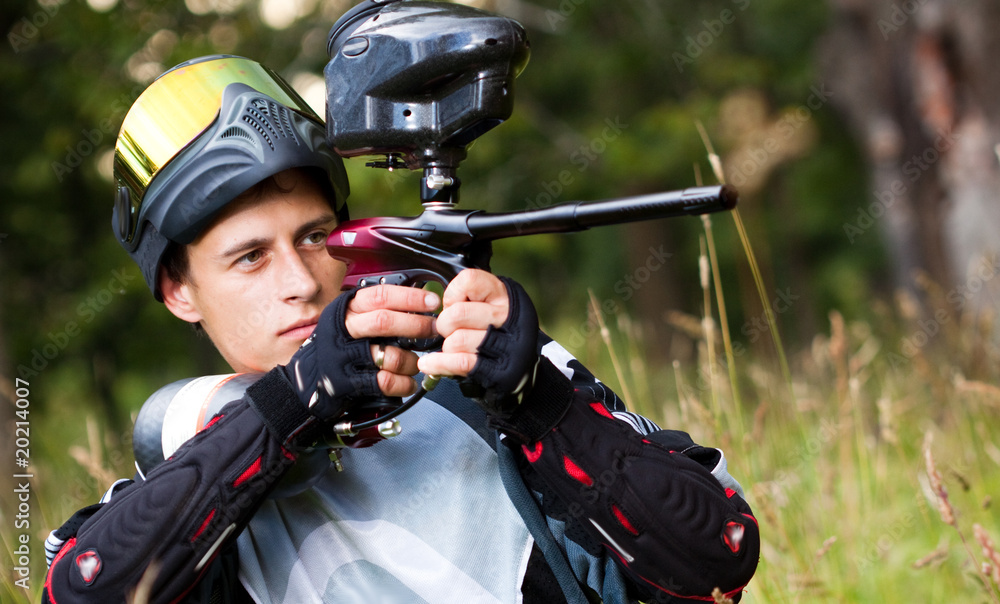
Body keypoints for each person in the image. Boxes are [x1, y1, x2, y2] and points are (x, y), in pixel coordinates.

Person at [42, 54, 759, 604]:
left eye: (316, 237)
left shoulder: (469, 372)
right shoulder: (195, 445)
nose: (298, 280)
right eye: (250, 257)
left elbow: (721, 555)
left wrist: (542, 405)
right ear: (178, 290)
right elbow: (80, 586)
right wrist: (292, 407)